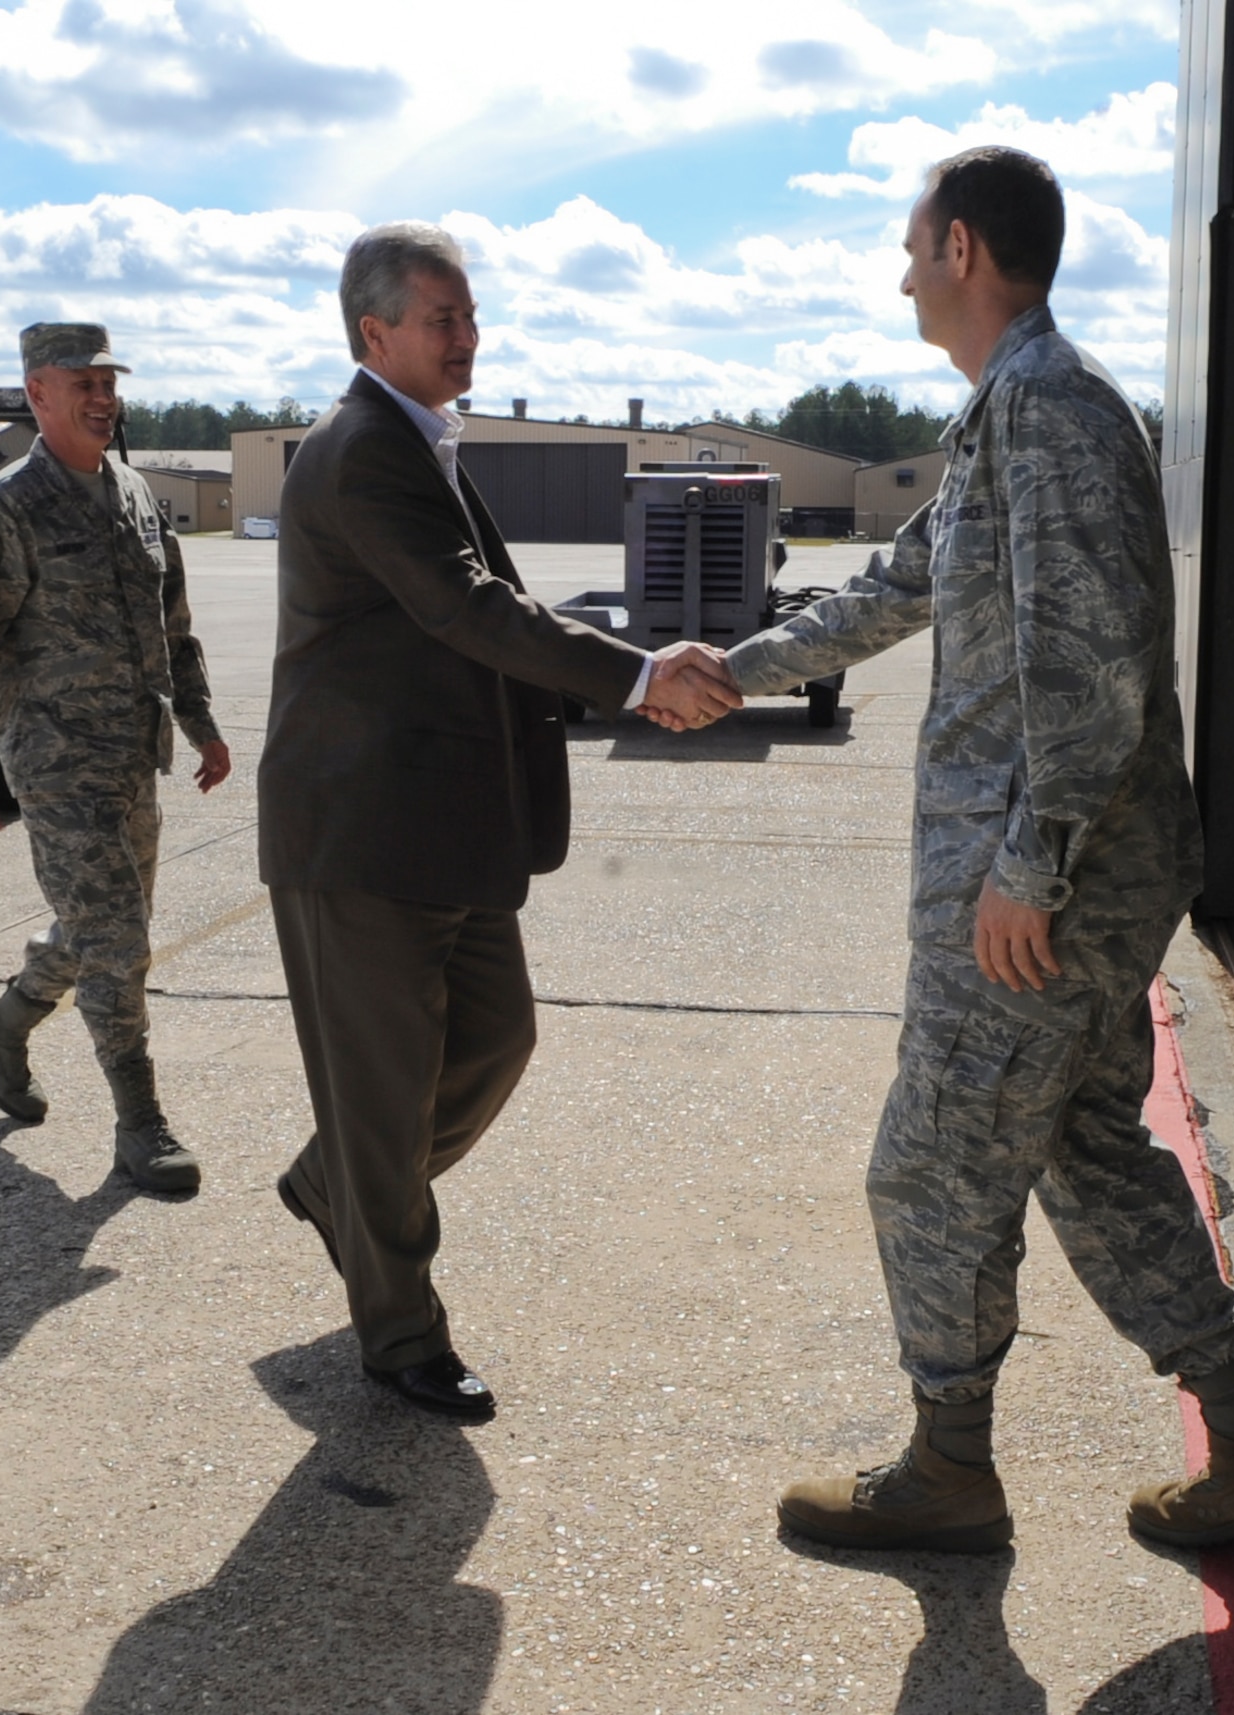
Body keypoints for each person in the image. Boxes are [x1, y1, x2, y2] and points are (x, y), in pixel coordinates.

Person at [710, 148, 1234, 1551]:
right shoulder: (1014, 412)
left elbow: (1094, 664)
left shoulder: (1050, 409)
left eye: (913, 244)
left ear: (963, 246)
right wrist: (731, 666)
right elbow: (897, 584)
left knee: (927, 1163)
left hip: (1046, 896)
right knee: (1087, 1152)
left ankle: (948, 1469)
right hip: (1069, 882)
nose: (901, 270)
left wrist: (1029, 864)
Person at [260, 222, 741, 1420]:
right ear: (374, 332)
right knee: (382, 1094)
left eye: (468, 315)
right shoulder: (361, 448)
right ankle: (400, 1332)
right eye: (441, 318)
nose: (466, 337)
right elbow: (460, 606)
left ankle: (341, 1186)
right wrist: (633, 675)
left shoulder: (422, 441)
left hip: (442, 825)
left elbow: (481, 616)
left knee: (493, 1042)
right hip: (360, 831)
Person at [0, 322, 230, 1196]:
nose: (102, 396)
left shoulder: (133, 493)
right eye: (80, 381)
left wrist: (201, 722)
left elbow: (173, 621)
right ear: (37, 394)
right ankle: (141, 1124)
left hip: (134, 751)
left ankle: (1, 1028)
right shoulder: (6, 506)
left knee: (103, 927)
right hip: (53, 759)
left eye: (108, 381)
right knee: (117, 937)